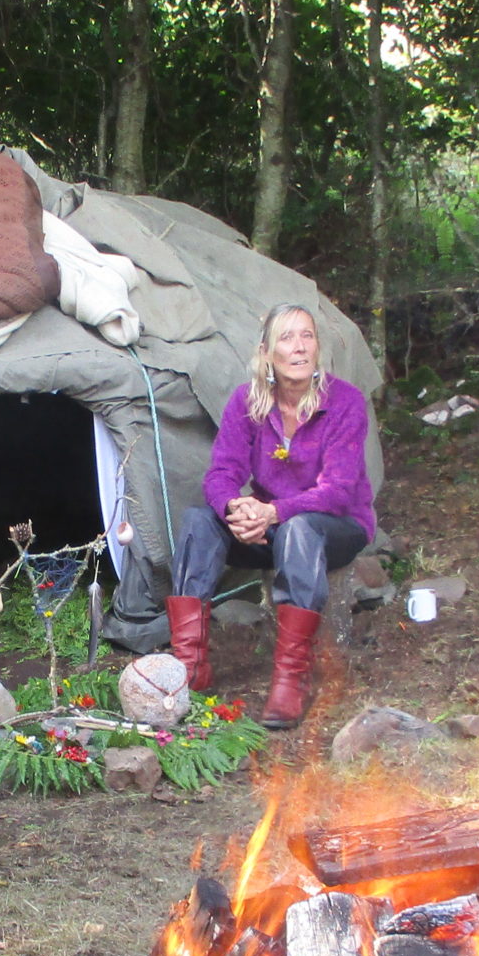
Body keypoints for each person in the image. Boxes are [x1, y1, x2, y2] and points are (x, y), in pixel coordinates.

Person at [165, 306, 374, 730]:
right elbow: (222, 473)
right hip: (270, 525)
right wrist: (235, 508)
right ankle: (190, 665)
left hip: (335, 526)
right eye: (287, 338)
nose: (299, 347)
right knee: (198, 521)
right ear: (265, 352)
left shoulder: (344, 401)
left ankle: (290, 679)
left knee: (299, 528)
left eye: (307, 337)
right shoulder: (248, 402)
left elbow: (337, 491)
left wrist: (273, 511)